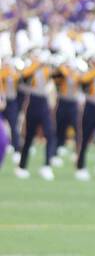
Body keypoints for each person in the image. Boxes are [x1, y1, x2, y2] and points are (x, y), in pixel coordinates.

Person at [15, 51, 57, 181]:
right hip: (33, 102)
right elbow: (22, 78)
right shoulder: (30, 68)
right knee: (29, 137)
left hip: (43, 102)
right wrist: (35, 64)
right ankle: (22, 167)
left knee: (50, 133)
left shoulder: (46, 69)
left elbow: (55, 75)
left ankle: (46, 166)